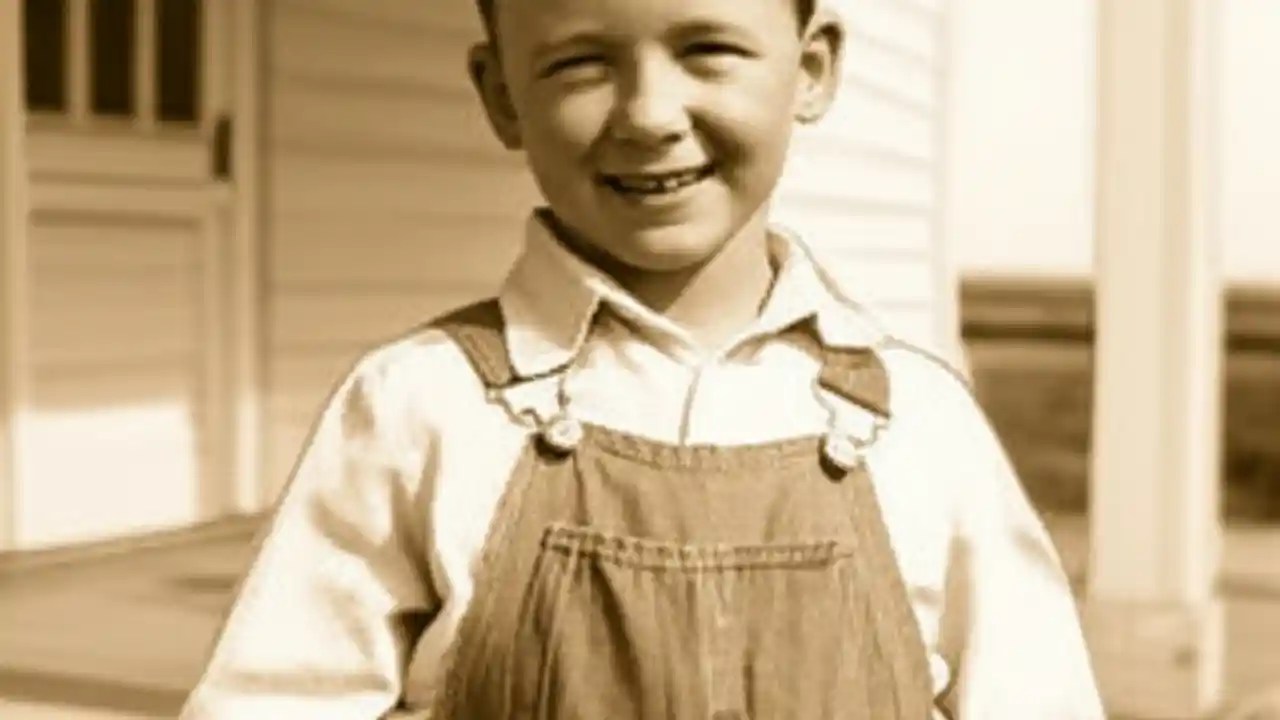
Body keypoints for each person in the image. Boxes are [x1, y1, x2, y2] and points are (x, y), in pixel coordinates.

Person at [180, 0, 1105, 717]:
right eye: (581, 62)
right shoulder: (417, 406)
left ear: (812, 69)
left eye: (707, 49)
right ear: (502, 93)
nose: (650, 114)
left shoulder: (920, 422)